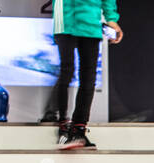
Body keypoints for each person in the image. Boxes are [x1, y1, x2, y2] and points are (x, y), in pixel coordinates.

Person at [43, 0, 124, 149]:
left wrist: (111, 19)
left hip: (90, 23)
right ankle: (63, 126)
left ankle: (79, 128)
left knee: (88, 76)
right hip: (66, 20)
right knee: (67, 70)